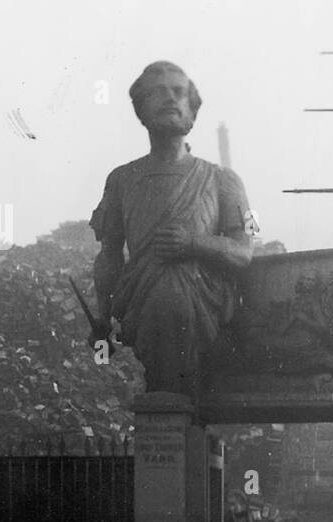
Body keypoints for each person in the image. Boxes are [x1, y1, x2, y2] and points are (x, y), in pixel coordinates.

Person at [89, 61, 255, 396]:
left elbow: (245, 250)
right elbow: (108, 255)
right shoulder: (120, 180)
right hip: (143, 305)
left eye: (179, 92)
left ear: (192, 108)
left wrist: (194, 243)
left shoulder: (226, 181)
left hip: (203, 310)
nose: (170, 98)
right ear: (141, 109)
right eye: (159, 92)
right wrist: (103, 319)